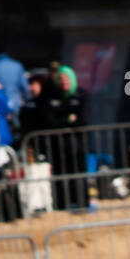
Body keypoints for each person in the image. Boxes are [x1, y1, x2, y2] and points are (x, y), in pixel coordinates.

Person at [35, 63, 88, 210]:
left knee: (78, 175)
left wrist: (65, 122)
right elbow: (49, 121)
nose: (64, 81)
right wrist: (67, 120)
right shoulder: (53, 96)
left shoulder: (81, 95)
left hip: (77, 145)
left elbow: (82, 121)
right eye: (61, 79)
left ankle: (82, 204)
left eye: (67, 79)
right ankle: (62, 206)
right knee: (60, 176)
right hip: (58, 145)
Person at [0, 47, 30, 123]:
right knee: (16, 128)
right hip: (15, 104)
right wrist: (27, 100)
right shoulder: (17, 65)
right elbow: (25, 87)